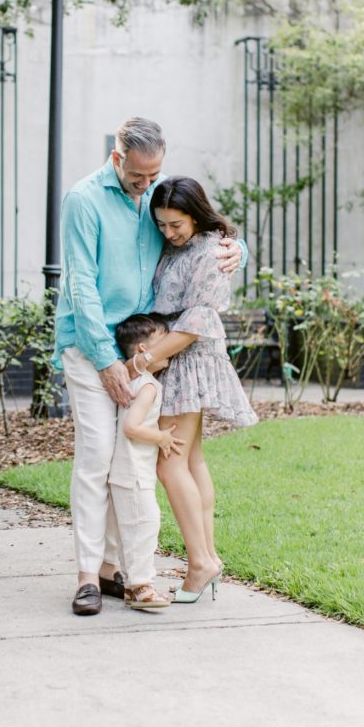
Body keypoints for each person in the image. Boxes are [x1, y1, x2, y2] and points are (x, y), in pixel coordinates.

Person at [55, 117, 244, 617]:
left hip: (151, 353)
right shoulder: (84, 200)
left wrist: (235, 247)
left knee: (137, 464)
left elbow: (199, 232)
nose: (146, 186)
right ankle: (88, 576)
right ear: (117, 159)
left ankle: (129, 570)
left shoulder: (155, 199)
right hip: (98, 347)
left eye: (153, 175)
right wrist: (108, 361)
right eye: (138, 177)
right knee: (98, 458)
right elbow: (80, 286)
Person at [129, 176, 259, 604]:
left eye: (176, 225)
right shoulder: (187, 245)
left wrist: (144, 361)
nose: (168, 233)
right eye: (162, 225)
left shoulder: (210, 251)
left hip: (186, 358)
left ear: (196, 215)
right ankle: (207, 557)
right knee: (191, 458)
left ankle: (202, 562)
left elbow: (195, 323)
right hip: (180, 356)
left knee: (169, 462)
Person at [105, 313, 184, 612]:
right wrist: (161, 438)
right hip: (135, 471)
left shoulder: (129, 382)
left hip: (123, 470)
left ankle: (133, 585)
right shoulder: (148, 386)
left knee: (131, 528)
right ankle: (140, 586)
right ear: (143, 350)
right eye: (162, 341)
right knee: (145, 524)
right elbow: (132, 428)